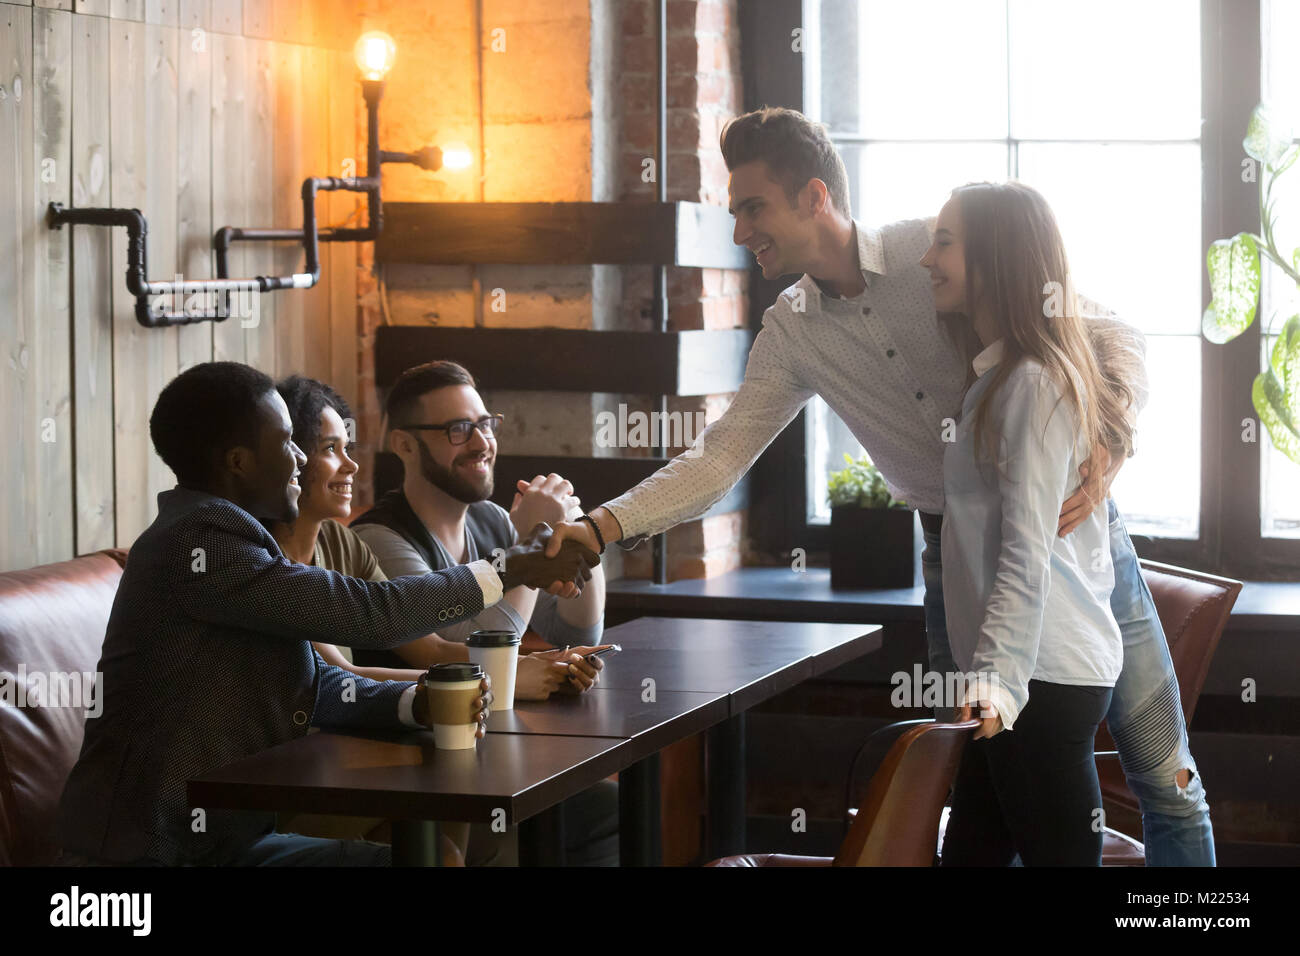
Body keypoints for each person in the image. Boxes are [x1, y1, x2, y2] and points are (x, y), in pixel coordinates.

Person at [542, 106, 1215, 866]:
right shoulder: (792, 331)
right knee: (981, 779)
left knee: (1166, 776)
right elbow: (719, 458)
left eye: (753, 208)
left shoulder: (937, 252)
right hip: (953, 557)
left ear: (815, 197)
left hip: (1071, 539)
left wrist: (1111, 445)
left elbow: (1107, 333)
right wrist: (599, 528)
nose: (739, 232)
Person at [54, 361, 596, 867]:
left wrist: (415, 703)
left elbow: (313, 683)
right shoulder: (201, 542)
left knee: (440, 851)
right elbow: (374, 614)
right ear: (239, 462)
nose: (299, 458)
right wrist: (513, 566)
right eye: (286, 442)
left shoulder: (239, 541)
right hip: (152, 850)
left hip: (231, 836)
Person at [923, 181, 1129, 864]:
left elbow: (1025, 551)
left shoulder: (1033, 385)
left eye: (944, 243)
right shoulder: (1003, 378)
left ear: (994, 260)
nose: (927, 259)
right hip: (1020, 678)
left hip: (1041, 681)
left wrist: (996, 682)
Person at [349, 362, 619, 866]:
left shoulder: (490, 521)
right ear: (405, 445)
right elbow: (479, 648)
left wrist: (578, 531)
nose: (481, 443)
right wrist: (531, 543)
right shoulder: (379, 540)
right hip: (412, 774)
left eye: (485, 424)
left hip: (488, 761)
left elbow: (576, 626)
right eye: (458, 429)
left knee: (606, 806)